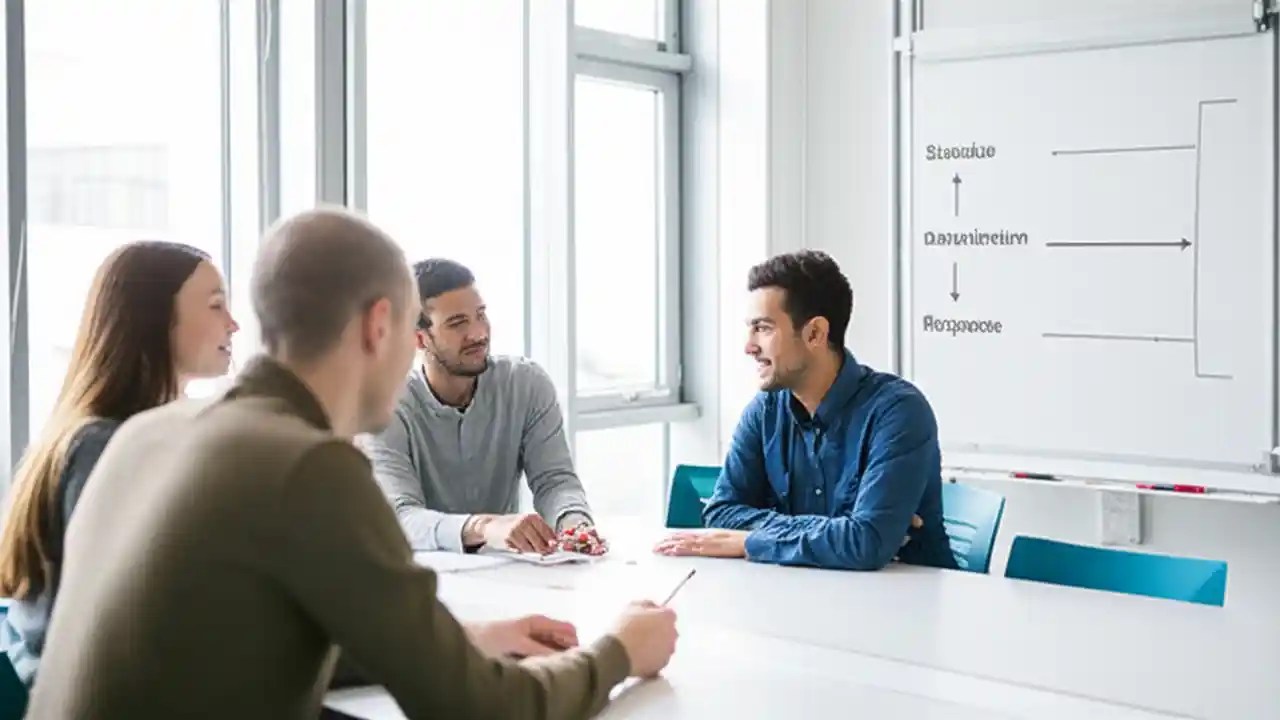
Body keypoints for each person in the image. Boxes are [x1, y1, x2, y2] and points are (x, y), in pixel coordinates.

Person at [26, 207, 677, 719]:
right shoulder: (310, 466)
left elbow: (243, 645)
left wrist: (467, 639)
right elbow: (479, 708)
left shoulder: (148, 434)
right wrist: (618, 650)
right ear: (381, 325)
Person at [0, 241, 239, 693]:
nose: (234, 323)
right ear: (153, 320)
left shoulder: (142, 435)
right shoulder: (103, 448)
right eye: (215, 305)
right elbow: (131, 620)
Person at [654, 250, 957, 572]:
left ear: (815, 333)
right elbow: (722, 512)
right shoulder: (765, 411)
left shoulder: (898, 412)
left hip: (908, 602)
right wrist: (837, 530)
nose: (749, 346)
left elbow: (865, 544)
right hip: (805, 591)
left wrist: (750, 539)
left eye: (764, 328)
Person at [360, 258, 599, 554]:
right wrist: (483, 527)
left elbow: (555, 481)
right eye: (457, 323)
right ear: (419, 339)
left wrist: (573, 525)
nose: (479, 333)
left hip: (509, 573)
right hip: (423, 580)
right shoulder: (386, 407)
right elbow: (399, 517)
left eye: (480, 315)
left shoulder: (526, 385)